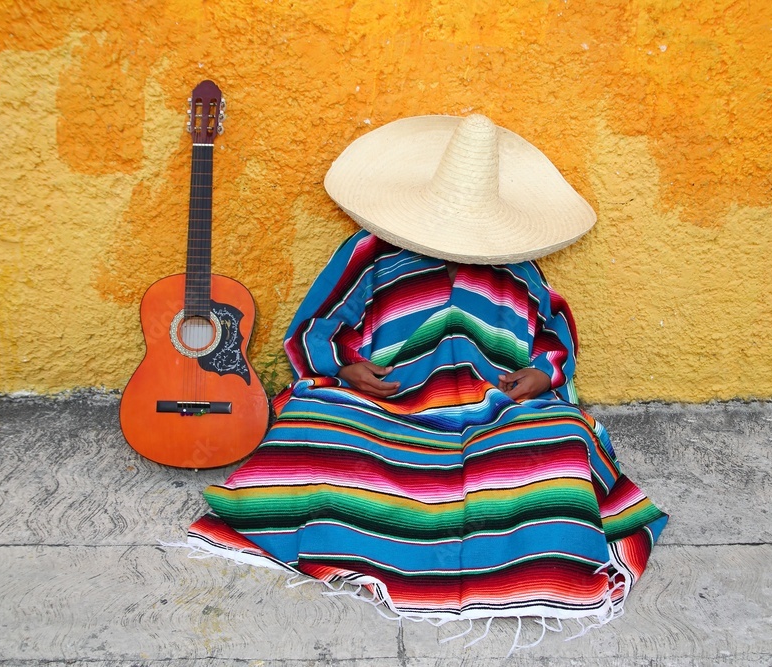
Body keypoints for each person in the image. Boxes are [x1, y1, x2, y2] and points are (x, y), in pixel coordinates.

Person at [187, 114, 668, 645]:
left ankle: (499, 556)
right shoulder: (370, 252)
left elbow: (553, 335)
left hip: (495, 407)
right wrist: (343, 368)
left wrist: (539, 374)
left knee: (562, 439)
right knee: (312, 426)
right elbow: (315, 327)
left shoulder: (516, 265)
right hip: (384, 403)